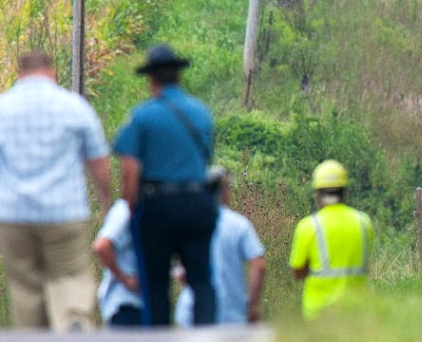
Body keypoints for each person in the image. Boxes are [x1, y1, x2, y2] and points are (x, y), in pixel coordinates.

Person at [0, 51, 112, 331]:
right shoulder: (73, 106)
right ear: (51, 71)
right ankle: (72, 320)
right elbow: (98, 160)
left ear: (20, 72)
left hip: (14, 214)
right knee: (70, 276)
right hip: (64, 211)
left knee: (25, 286)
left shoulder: (3, 108)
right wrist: (105, 198)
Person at [114, 44, 218, 326]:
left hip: (159, 205)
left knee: (156, 283)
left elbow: (130, 167)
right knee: (201, 278)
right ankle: (206, 336)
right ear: (178, 76)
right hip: (198, 202)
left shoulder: (144, 115)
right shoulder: (201, 113)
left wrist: (132, 207)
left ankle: (158, 341)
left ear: (152, 79)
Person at [174, 166, 267, 327]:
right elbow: (258, 264)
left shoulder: (188, 223)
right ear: (224, 191)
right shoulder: (239, 225)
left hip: (192, 312)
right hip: (229, 315)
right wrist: (252, 305)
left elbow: (180, 272)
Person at [289, 160, 374, 320]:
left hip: (318, 312)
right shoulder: (364, 222)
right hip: (357, 310)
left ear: (317, 192)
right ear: (344, 190)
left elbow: (297, 272)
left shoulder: (308, 226)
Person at [93, 199, 144, 327]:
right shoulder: (124, 209)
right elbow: (102, 246)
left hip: (144, 304)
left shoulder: (154, 205)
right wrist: (125, 278)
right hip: (126, 303)